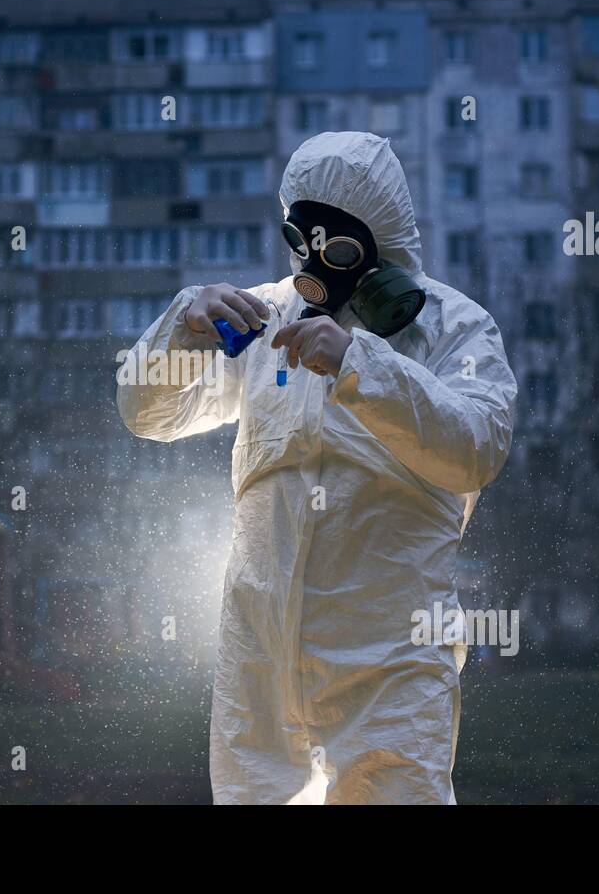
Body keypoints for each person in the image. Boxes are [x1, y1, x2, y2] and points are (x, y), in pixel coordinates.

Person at [116, 131, 517, 804]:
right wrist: (180, 332)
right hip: (259, 659)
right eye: (301, 242)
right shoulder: (265, 320)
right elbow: (147, 412)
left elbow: (478, 443)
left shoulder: (452, 329)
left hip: (389, 663)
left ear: (381, 240)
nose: (312, 265)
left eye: (336, 247)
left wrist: (359, 364)